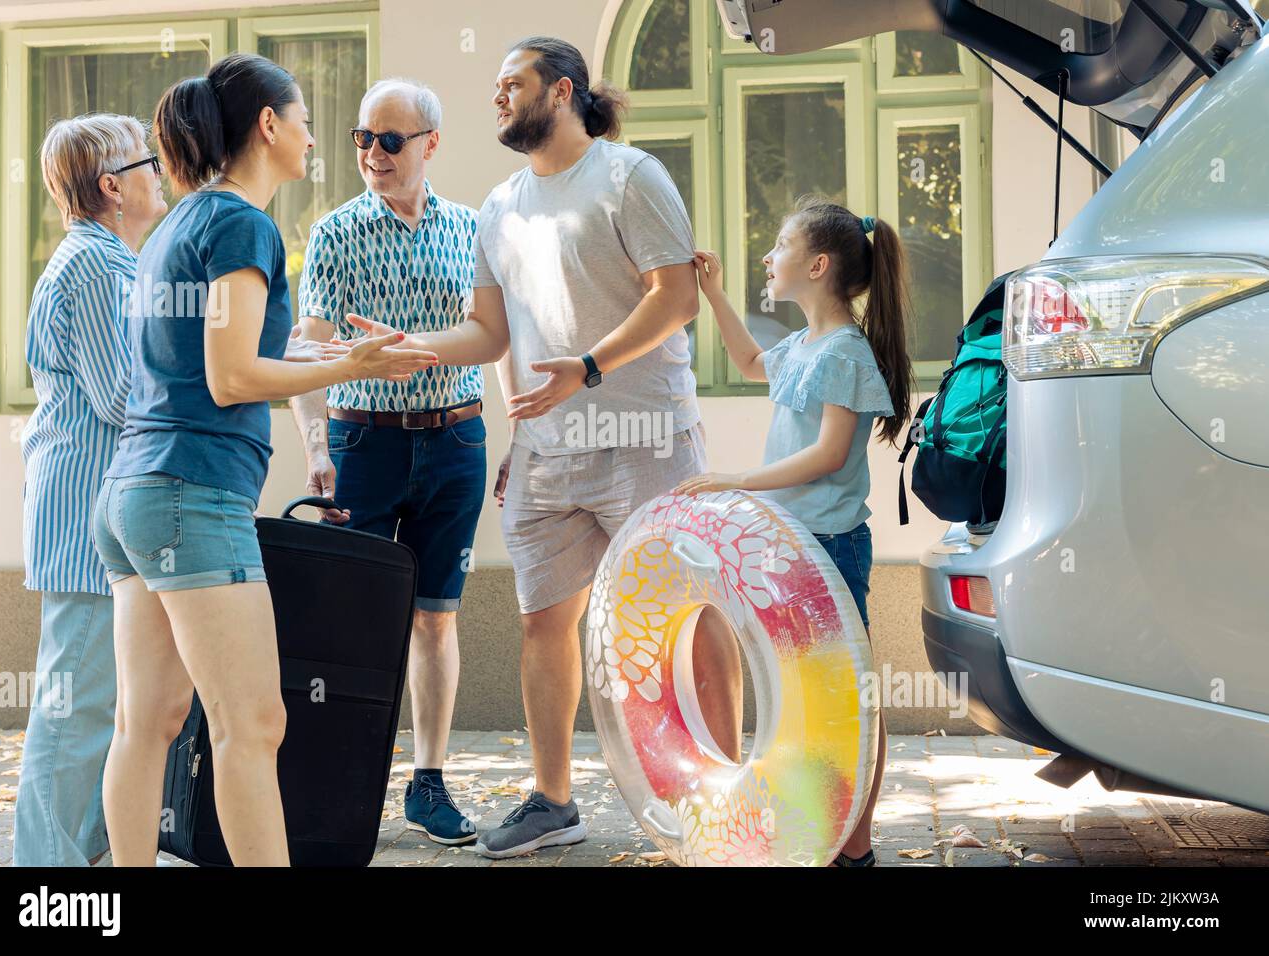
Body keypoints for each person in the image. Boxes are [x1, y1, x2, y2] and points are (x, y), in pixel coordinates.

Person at [376, 35, 742, 859]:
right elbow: (490, 331)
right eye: (498, 88)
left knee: (686, 616)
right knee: (545, 621)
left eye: (514, 84)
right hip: (546, 450)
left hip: (648, 438)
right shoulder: (499, 205)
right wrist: (414, 346)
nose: (499, 98)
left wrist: (587, 367)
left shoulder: (629, 176)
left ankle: (719, 793)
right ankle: (552, 800)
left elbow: (677, 296)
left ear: (565, 90)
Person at [89, 52, 435, 866]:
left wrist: (337, 351)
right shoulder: (243, 222)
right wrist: (356, 366)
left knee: (150, 721)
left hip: (135, 492)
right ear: (270, 125)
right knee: (254, 724)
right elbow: (233, 374)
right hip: (191, 496)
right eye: (308, 120)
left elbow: (228, 355)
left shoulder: (182, 219)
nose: (317, 139)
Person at [674, 197, 915, 867]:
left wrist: (740, 482)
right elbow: (752, 363)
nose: (768, 257)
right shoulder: (808, 344)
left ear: (816, 264)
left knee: (849, 702)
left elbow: (831, 454)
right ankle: (826, 834)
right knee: (810, 702)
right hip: (796, 552)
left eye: (779, 246)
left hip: (831, 552)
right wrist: (716, 295)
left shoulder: (843, 351)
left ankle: (856, 849)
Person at [290, 78, 484, 845]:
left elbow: (499, 335)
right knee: (356, 619)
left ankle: (428, 784)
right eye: (363, 138)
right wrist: (314, 445)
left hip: (456, 439)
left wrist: (522, 437)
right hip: (363, 442)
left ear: (431, 144)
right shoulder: (336, 232)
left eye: (390, 140)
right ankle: (343, 781)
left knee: (436, 619)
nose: (373, 153)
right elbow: (304, 349)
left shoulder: (471, 228)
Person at [14, 114, 168, 867]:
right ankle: (48, 882)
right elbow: (126, 397)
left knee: (97, 711)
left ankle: (83, 865)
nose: (160, 177)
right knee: (74, 713)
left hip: (88, 516)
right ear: (112, 187)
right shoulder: (100, 269)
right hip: (87, 524)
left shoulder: (105, 262)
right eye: (148, 165)